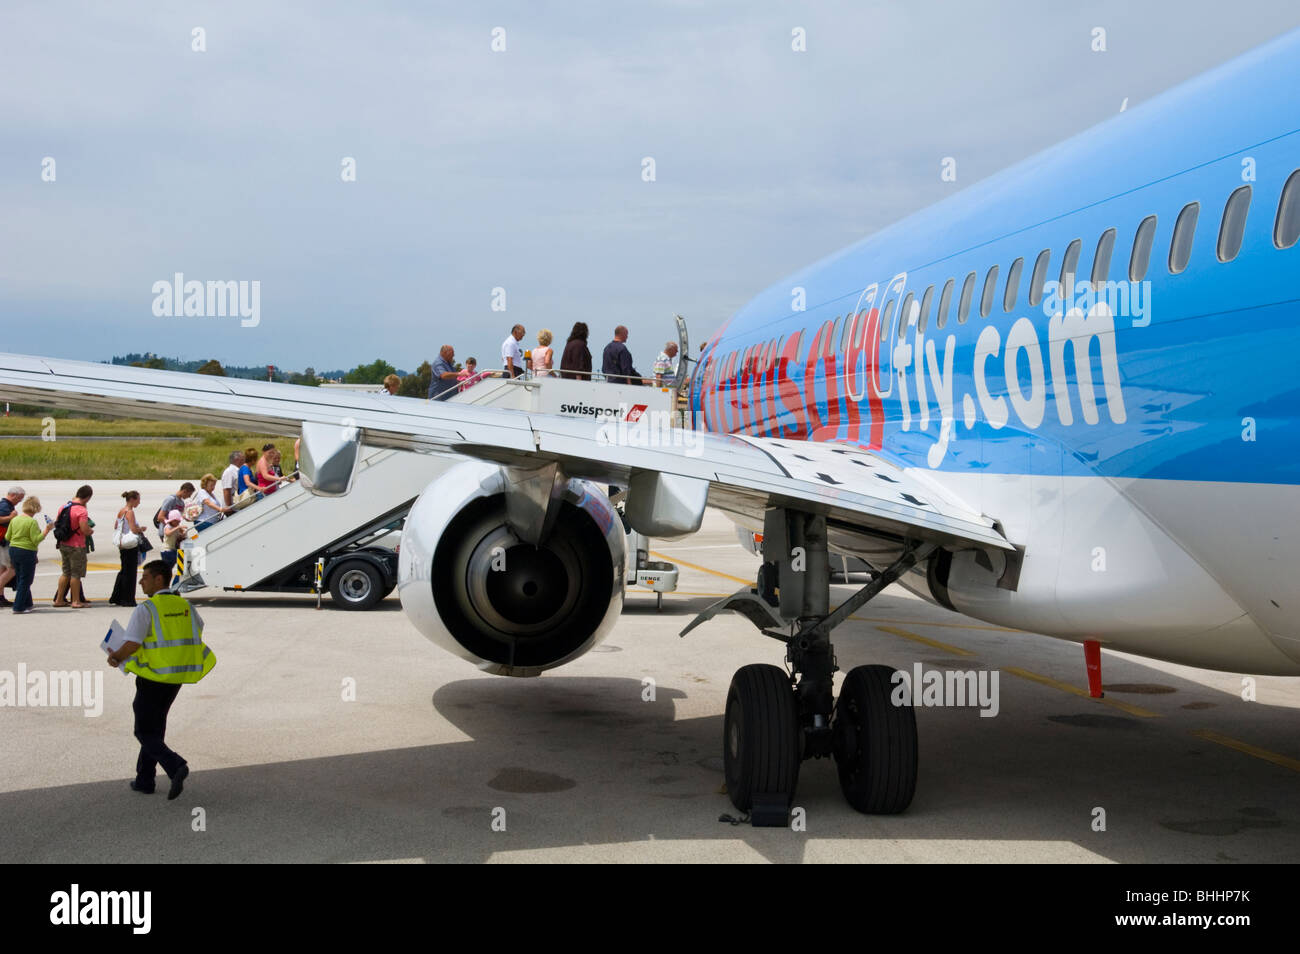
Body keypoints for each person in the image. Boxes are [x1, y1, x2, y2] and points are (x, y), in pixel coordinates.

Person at [107, 559, 217, 799]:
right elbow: (197, 629)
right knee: (155, 727)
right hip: (176, 677)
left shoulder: (147, 609)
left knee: (143, 731)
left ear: (159, 579)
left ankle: (175, 765)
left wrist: (115, 656)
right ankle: (145, 779)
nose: (141, 581)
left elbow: (133, 643)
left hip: (153, 676)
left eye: (145, 577)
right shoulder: (186, 606)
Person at [7, 495, 51, 614]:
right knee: (26, 580)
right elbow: (36, 539)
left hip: (13, 549)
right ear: (36, 509)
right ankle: (18, 607)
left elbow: (7, 536)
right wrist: (47, 530)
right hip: (26, 551)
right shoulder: (32, 522)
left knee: (20, 577)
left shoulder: (15, 520)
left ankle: (27, 603)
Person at [53, 484, 94, 608]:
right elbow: (84, 529)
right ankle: (76, 601)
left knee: (65, 572)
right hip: (76, 545)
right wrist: (90, 531)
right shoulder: (81, 510)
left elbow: (57, 522)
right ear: (87, 497)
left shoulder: (64, 506)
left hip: (63, 543)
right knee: (76, 574)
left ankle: (59, 599)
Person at [110, 491, 145, 607]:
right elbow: (133, 529)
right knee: (130, 573)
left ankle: (117, 596)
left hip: (122, 543)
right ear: (132, 499)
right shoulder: (130, 512)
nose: (139, 502)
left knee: (124, 570)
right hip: (129, 545)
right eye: (138, 500)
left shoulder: (122, 511)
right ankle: (127, 599)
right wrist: (141, 529)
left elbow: (116, 526)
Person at [0, 485, 24, 606]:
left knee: (3, 569)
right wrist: (11, 517)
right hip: (4, 543)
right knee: (12, 569)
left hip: (2, 542)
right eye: (19, 498)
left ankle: (1, 597)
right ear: (13, 495)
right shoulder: (5, 506)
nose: (20, 501)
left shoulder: (6, 505)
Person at [159, 510, 186, 575]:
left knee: (182, 567)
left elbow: (180, 536)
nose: (178, 522)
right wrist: (177, 527)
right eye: (177, 521)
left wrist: (183, 533)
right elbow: (167, 533)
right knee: (167, 570)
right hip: (167, 551)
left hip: (175, 550)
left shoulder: (177, 527)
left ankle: (177, 582)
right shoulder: (168, 526)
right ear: (172, 520)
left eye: (179, 521)